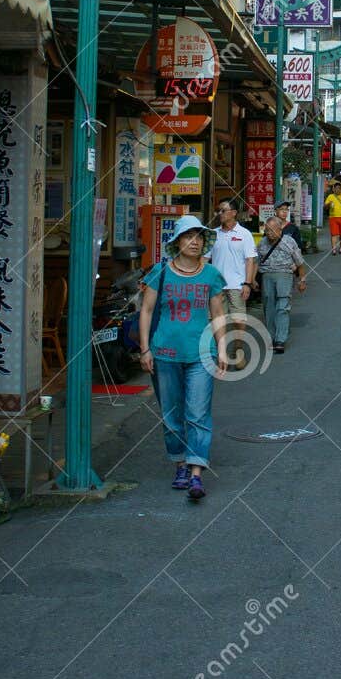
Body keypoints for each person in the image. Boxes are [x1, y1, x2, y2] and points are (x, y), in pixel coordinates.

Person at [139, 215, 226, 504]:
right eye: (189, 237)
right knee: (171, 415)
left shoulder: (211, 274)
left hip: (202, 354)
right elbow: (147, 311)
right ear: (177, 242)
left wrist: (223, 347)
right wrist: (144, 349)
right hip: (165, 353)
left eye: (199, 237)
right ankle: (180, 464)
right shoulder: (160, 272)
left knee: (198, 413)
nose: (195, 242)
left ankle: (197, 471)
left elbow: (217, 314)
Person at [208, 200, 257, 369]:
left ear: (234, 213)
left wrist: (247, 283)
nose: (219, 213)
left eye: (223, 210)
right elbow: (205, 260)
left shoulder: (244, 234)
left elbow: (250, 259)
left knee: (239, 321)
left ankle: (238, 349)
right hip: (216, 286)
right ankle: (221, 354)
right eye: (218, 210)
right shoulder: (212, 234)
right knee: (217, 321)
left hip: (237, 285)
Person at [256, 217, 307, 354]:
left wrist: (302, 280)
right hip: (266, 276)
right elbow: (256, 262)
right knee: (269, 307)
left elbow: (300, 263)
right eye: (267, 230)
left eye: (272, 230)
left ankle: (280, 340)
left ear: (280, 230)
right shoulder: (261, 243)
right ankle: (272, 337)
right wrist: (253, 280)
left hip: (284, 275)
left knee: (282, 306)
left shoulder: (289, 242)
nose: (269, 233)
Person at [324, 184, 341, 255]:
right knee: (334, 234)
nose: (337, 189)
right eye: (336, 188)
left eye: (339, 188)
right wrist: (328, 204)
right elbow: (325, 207)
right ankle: (334, 249)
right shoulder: (330, 196)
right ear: (333, 189)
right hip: (333, 217)